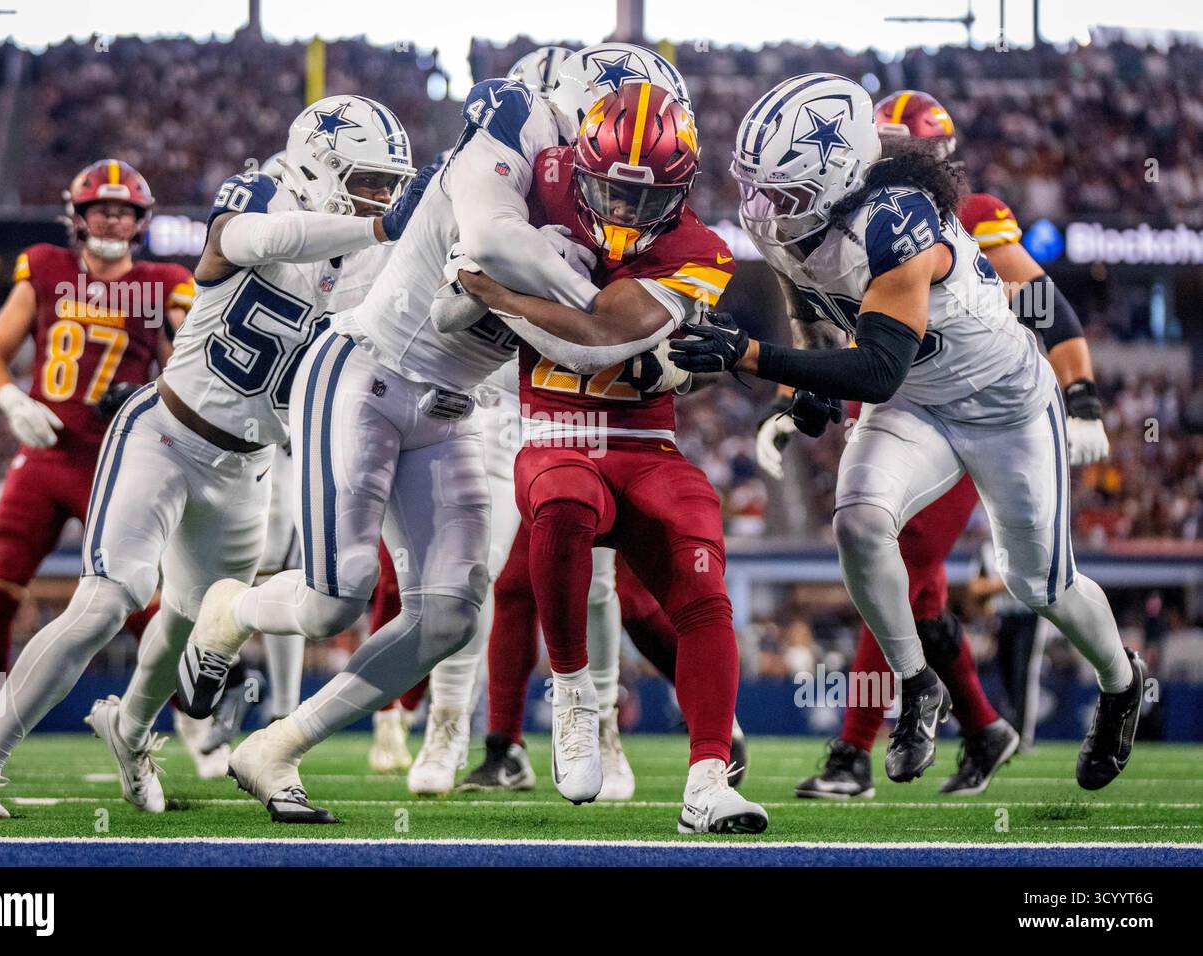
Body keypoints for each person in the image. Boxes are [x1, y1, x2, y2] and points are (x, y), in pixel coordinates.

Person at [176, 44, 703, 824]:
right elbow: (496, 252)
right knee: (337, 597)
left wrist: (656, 337)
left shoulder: (607, 208)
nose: (624, 185)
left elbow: (598, 336)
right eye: (605, 131)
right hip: (365, 371)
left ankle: (277, 744)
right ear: (572, 109)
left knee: (451, 613)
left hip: (455, 408)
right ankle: (229, 610)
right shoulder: (508, 128)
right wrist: (609, 311)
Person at [0, 96, 431, 819]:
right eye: (370, 179)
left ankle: (131, 732)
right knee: (108, 600)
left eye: (392, 186)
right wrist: (380, 224)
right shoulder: (261, 191)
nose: (384, 197)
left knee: (191, 618)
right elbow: (249, 240)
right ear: (321, 166)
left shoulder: (374, 256)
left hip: (250, 467)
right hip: (166, 432)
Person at [671, 73, 1144, 791]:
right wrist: (808, 382)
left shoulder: (896, 219)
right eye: (758, 185)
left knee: (1037, 583)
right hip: (917, 404)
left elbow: (880, 368)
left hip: (1000, 403)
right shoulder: (794, 220)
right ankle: (918, 685)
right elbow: (807, 296)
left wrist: (753, 357)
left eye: (784, 189)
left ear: (836, 178)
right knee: (859, 524)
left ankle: (1120, 682)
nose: (764, 207)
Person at [455, 82, 766, 832]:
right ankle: (571, 693)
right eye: (610, 193)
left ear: (683, 189)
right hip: (554, 435)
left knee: (700, 558)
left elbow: (599, 333)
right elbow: (460, 230)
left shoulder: (701, 249)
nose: (623, 213)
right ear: (578, 164)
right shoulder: (537, 181)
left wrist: (494, 290)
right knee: (561, 503)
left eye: (645, 199)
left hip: (644, 441)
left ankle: (706, 778)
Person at [794, 89, 1111, 798]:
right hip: (887, 393)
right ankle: (983, 726)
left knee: (901, 567)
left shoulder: (961, 213)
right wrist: (799, 392)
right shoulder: (835, 213)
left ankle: (853, 750)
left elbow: (1037, 296)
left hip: (965, 402)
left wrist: (1081, 389)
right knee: (920, 594)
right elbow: (821, 313)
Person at [0, 159, 191, 780]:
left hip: (117, 462)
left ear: (141, 221)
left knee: (145, 606)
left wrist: (152, 394)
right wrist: (13, 399)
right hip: (45, 459)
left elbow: (190, 366)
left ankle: (198, 730)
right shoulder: (44, 270)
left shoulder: (163, 282)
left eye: (124, 211)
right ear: (78, 216)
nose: (112, 219)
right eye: (102, 209)